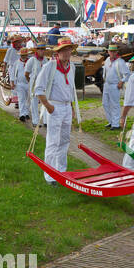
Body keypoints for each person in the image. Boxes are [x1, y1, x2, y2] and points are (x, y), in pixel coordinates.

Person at [34, 39, 81, 184]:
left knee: (65, 140)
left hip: (67, 107)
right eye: (64, 50)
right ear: (58, 52)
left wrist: (72, 108)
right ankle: (50, 176)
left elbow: (71, 89)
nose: (67, 53)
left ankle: (61, 171)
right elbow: (38, 89)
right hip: (55, 106)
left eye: (69, 50)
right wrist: (48, 106)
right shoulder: (50, 66)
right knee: (53, 141)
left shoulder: (72, 66)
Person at [101, 42, 129, 130]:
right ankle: (111, 121)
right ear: (108, 52)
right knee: (105, 103)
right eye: (110, 51)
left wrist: (122, 81)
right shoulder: (107, 60)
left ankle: (116, 124)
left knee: (115, 104)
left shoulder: (120, 62)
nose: (112, 53)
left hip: (114, 85)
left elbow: (127, 74)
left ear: (116, 52)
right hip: (106, 84)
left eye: (114, 51)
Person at [21, 40, 45, 123]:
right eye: (40, 49)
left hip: (43, 84)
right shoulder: (32, 60)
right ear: (37, 50)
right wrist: (30, 82)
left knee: (44, 101)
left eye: (43, 49)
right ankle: (35, 121)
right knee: (34, 102)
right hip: (34, 83)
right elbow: (26, 73)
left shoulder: (45, 60)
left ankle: (45, 121)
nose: (42, 51)